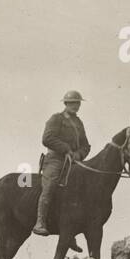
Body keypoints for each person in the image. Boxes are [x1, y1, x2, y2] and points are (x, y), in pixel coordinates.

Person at [34, 90, 91, 236]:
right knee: (50, 187)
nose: (75, 106)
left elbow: (86, 145)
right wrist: (66, 149)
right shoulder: (56, 119)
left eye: (77, 103)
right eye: (72, 103)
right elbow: (47, 138)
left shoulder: (79, 122)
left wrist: (78, 154)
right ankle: (40, 222)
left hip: (73, 162)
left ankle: (70, 229)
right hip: (55, 160)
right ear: (66, 103)